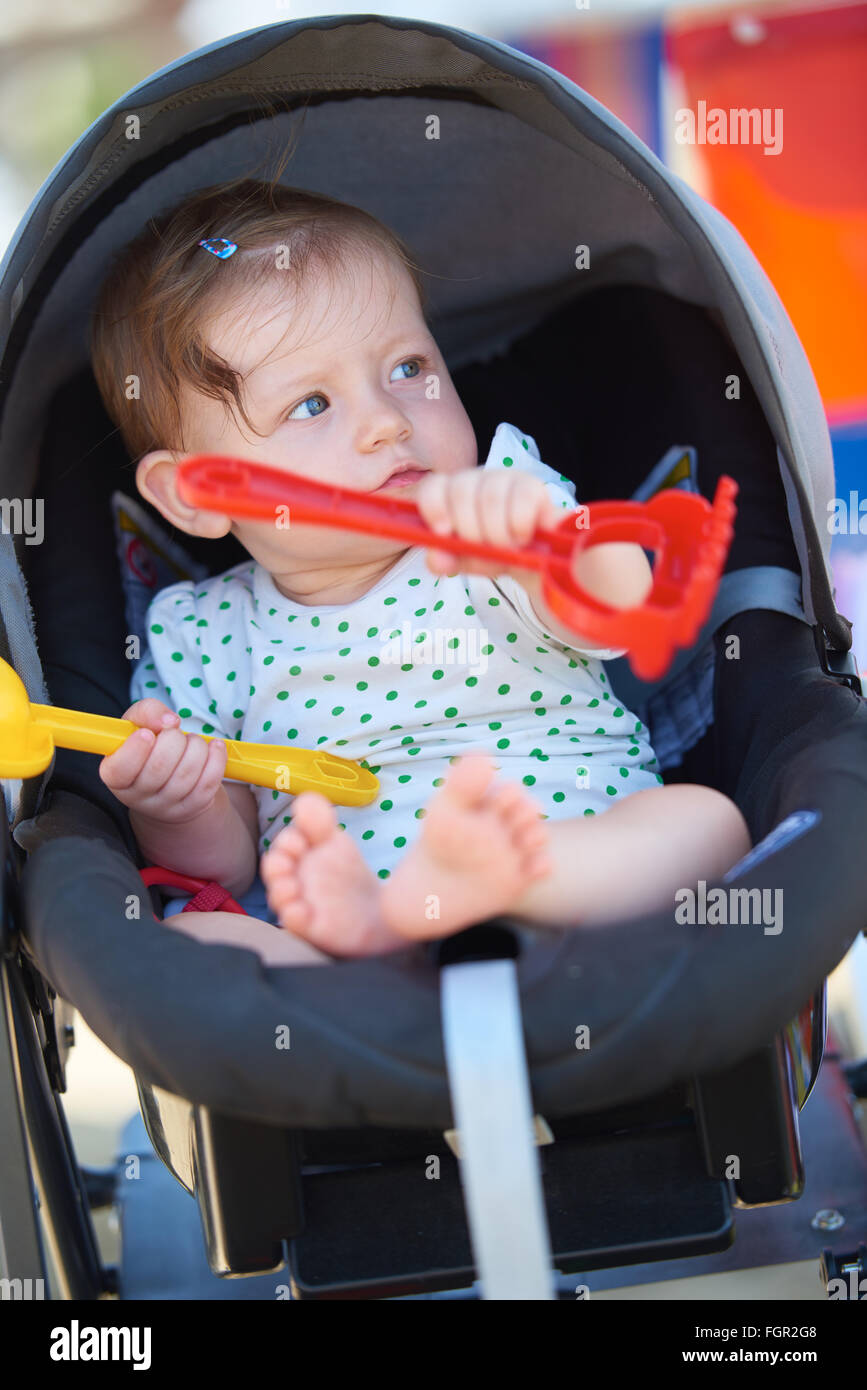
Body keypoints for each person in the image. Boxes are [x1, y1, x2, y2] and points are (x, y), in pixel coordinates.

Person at [90, 180, 751, 966]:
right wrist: (175, 802)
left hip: (569, 857)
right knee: (195, 938)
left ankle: (496, 888)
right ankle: (380, 938)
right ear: (194, 496)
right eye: (310, 406)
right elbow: (223, 864)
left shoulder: (495, 506)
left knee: (708, 824)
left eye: (407, 366)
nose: (386, 420)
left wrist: (541, 544)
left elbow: (616, 610)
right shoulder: (199, 632)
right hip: (340, 927)